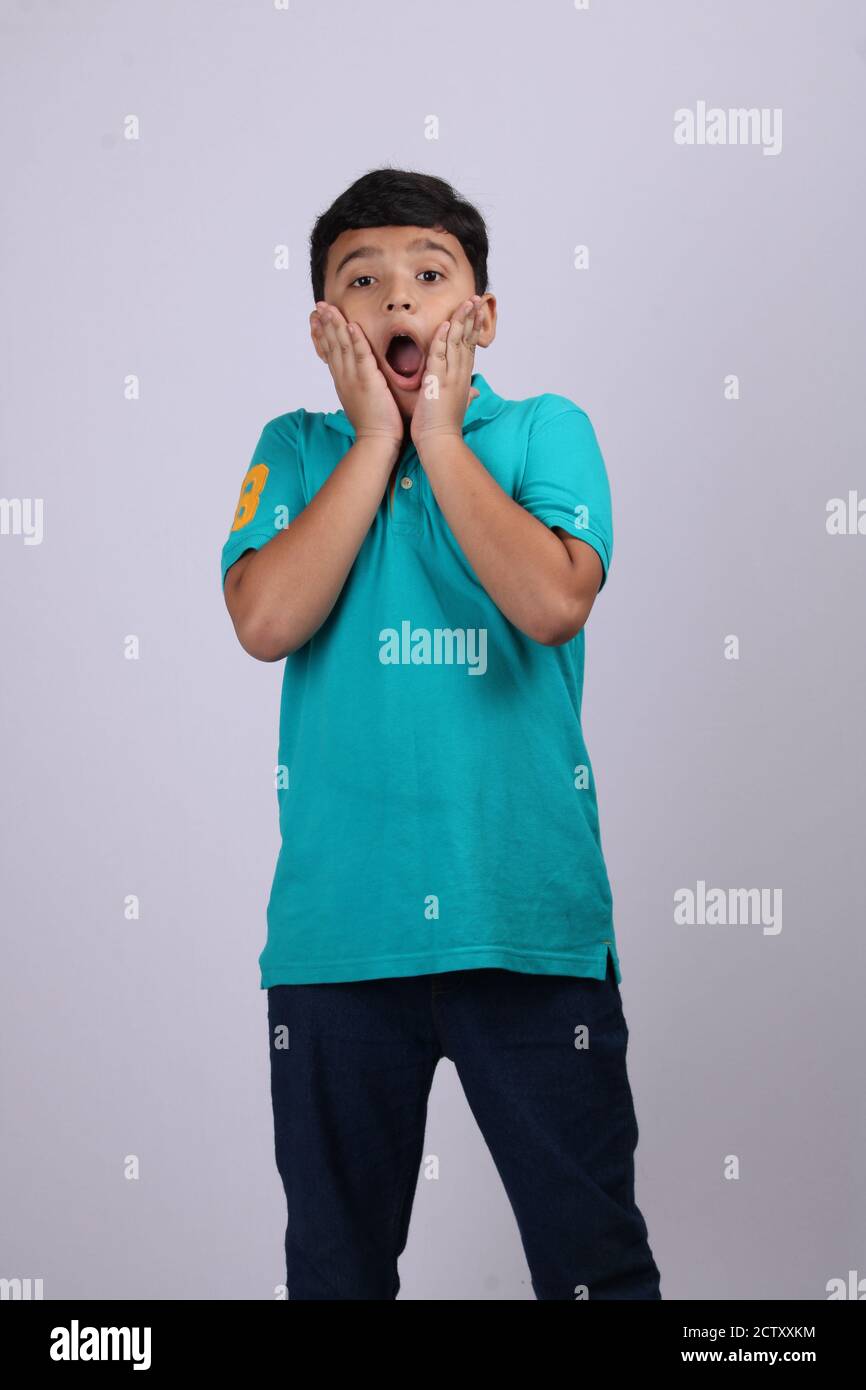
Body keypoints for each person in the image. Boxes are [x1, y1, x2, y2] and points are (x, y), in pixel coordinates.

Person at [219, 167, 661, 1300]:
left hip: (526, 926)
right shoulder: (294, 445)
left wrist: (437, 438)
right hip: (338, 940)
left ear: (483, 314)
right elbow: (264, 618)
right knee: (334, 1270)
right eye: (360, 281)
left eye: (428, 273)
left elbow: (551, 599)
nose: (396, 298)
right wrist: (373, 442)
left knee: (591, 1264)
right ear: (326, 325)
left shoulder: (545, 431)